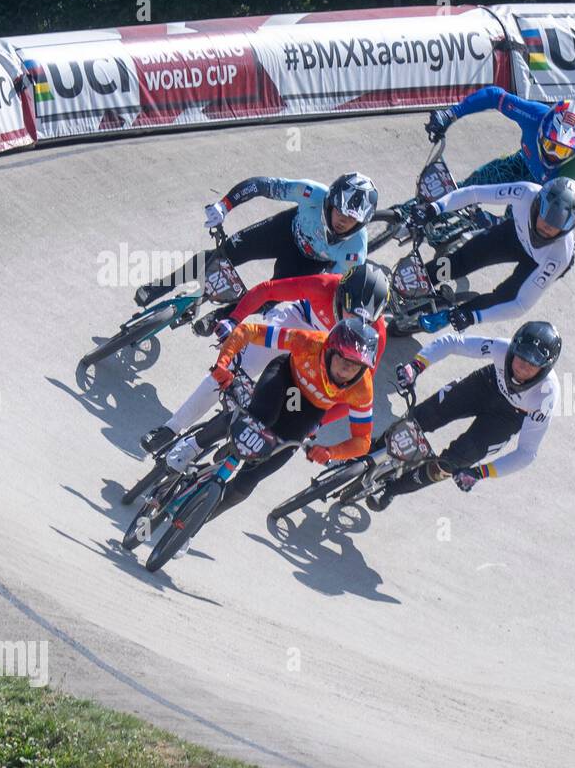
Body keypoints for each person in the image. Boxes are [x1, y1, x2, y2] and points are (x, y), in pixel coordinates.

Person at [140, 263, 389, 455]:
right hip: (297, 328)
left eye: (366, 320)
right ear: (339, 294)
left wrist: (319, 421)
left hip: (328, 358)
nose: (355, 323)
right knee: (235, 368)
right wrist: (235, 318)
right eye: (349, 313)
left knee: (287, 419)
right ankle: (172, 427)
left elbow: (356, 391)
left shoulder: (376, 334)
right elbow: (269, 291)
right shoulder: (324, 284)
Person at [161, 317, 379, 522]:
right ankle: (193, 446)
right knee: (259, 417)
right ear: (329, 351)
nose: (346, 369)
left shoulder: (362, 390)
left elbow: (363, 442)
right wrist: (223, 363)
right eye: (343, 358)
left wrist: (332, 452)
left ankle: (194, 524)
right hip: (284, 378)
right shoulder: (309, 342)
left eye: (355, 365)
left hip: (306, 409)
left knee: (247, 482)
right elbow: (250, 330)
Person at [369, 321, 562, 511]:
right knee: (422, 417)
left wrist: (481, 472)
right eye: (520, 356)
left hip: (508, 417)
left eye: (533, 363)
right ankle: (370, 452)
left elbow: (527, 453)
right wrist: (417, 365)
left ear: (545, 368)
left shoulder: (546, 395)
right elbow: (453, 342)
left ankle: (392, 490)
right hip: (486, 385)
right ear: (513, 349)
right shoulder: (502, 349)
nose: (522, 366)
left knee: (453, 462)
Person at [134, 172, 379, 309]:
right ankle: (161, 286)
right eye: (340, 211)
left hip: (307, 265)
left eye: (352, 219)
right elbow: (262, 186)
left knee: (267, 299)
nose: (343, 221)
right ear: (330, 201)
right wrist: (224, 205)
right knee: (220, 256)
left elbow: (329, 289)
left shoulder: (355, 251)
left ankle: (220, 318)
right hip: (283, 232)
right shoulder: (312, 193)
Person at [409, 178, 575, 332]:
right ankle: (421, 280)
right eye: (544, 218)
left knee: (502, 298)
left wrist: (472, 317)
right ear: (536, 206)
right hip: (517, 234)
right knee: (460, 261)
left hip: (538, 262)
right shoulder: (526, 193)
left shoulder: (560, 256)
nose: (547, 228)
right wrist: (434, 208)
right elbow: (475, 193)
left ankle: (455, 314)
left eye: (555, 227)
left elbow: (520, 305)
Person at [424, 90, 575, 193]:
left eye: (562, 152)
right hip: (523, 162)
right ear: (542, 129)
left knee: (509, 229)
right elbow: (494, 96)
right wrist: (450, 114)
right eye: (550, 145)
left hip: (549, 189)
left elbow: (558, 216)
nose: (552, 155)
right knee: (466, 189)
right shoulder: (535, 115)